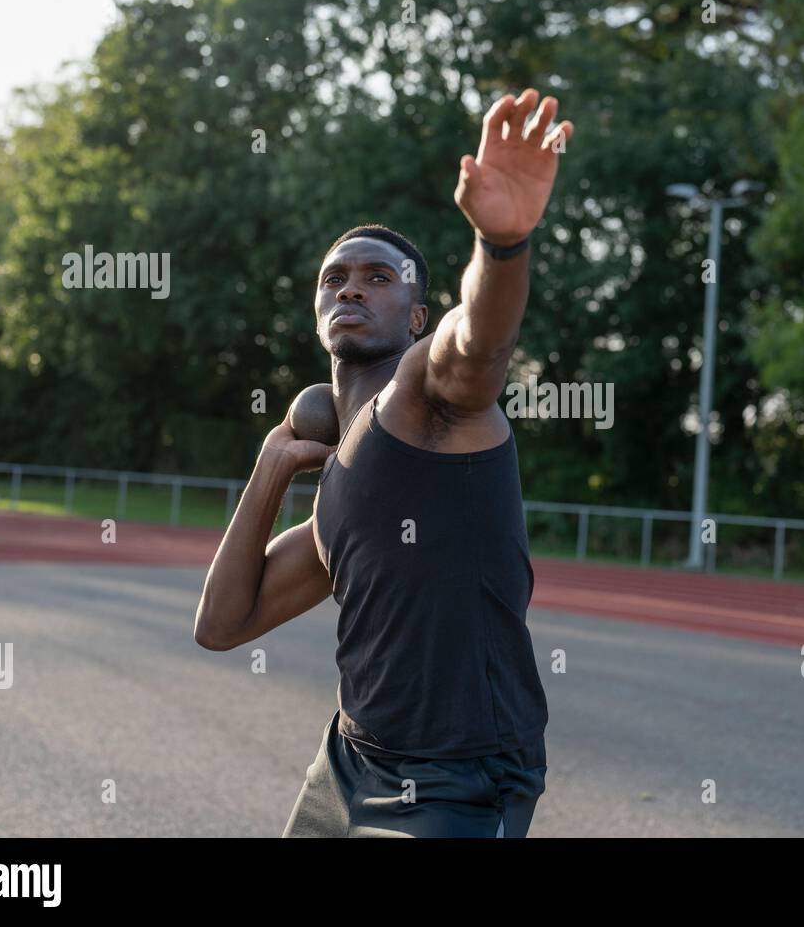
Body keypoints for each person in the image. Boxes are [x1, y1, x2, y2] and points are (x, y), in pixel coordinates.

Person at [193, 88, 574, 837]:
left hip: (455, 781)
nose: (352, 288)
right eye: (335, 280)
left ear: (416, 316)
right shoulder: (341, 485)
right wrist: (271, 468)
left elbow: (479, 348)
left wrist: (501, 247)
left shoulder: (425, 399)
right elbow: (221, 623)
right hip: (350, 760)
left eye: (377, 277)